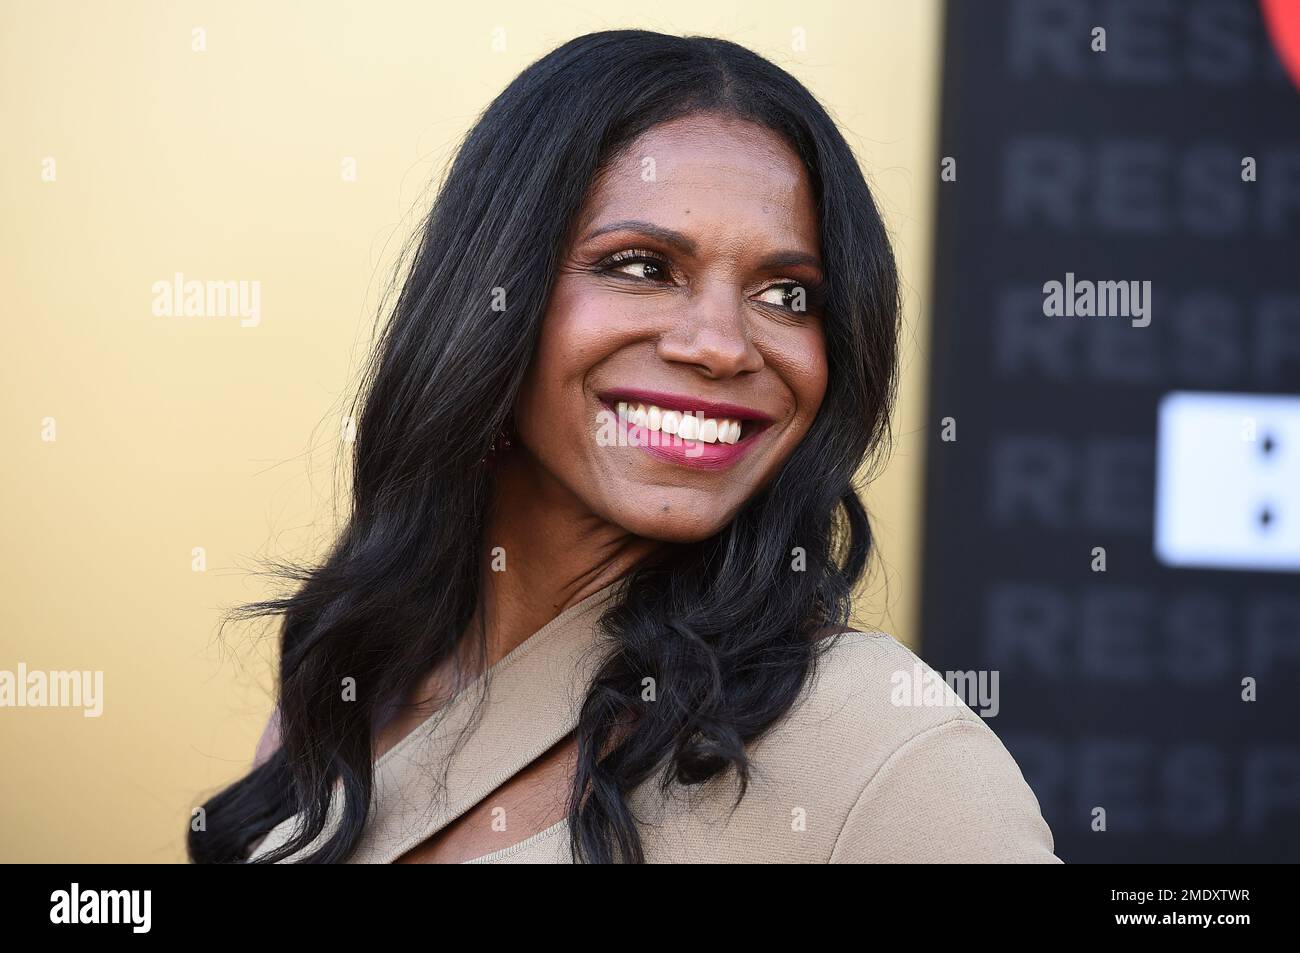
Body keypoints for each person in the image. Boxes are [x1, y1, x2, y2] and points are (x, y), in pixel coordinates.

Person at [190, 29, 1059, 864]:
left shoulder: (884, 749)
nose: (721, 344)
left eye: (789, 294)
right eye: (643, 265)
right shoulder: (355, 679)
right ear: (496, 295)